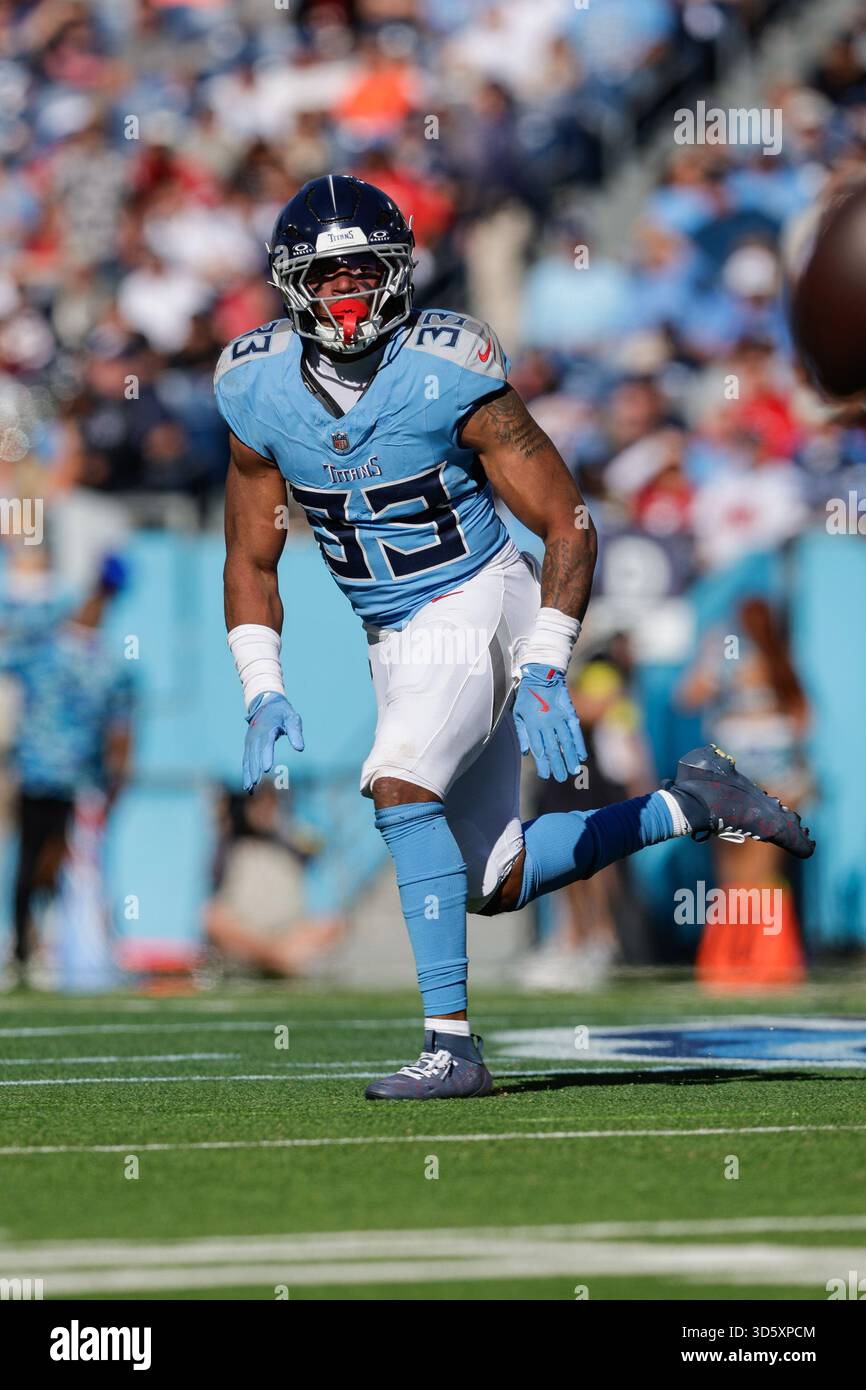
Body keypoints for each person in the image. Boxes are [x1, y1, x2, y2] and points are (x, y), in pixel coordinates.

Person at [216, 175, 814, 1101]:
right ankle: (690, 805)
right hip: (392, 633)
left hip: (478, 594)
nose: (346, 296)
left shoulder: (447, 369)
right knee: (491, 877)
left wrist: (541, 662)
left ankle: (451, 1047)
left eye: (363, 273)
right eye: (327, 278)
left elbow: (570, 522)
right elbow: (251, 560)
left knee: (397, 781)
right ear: (291, 285)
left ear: (399, 274)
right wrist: (262, 682)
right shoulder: (255, 390)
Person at [2, 555, 134, 982]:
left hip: (65, 778)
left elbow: (119, 731)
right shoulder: (83, 656)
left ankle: (44, 949)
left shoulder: (79, 656)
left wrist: (114, 778)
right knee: (41, 862)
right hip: (49, 774)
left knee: (51, 864)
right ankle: (29, 948)